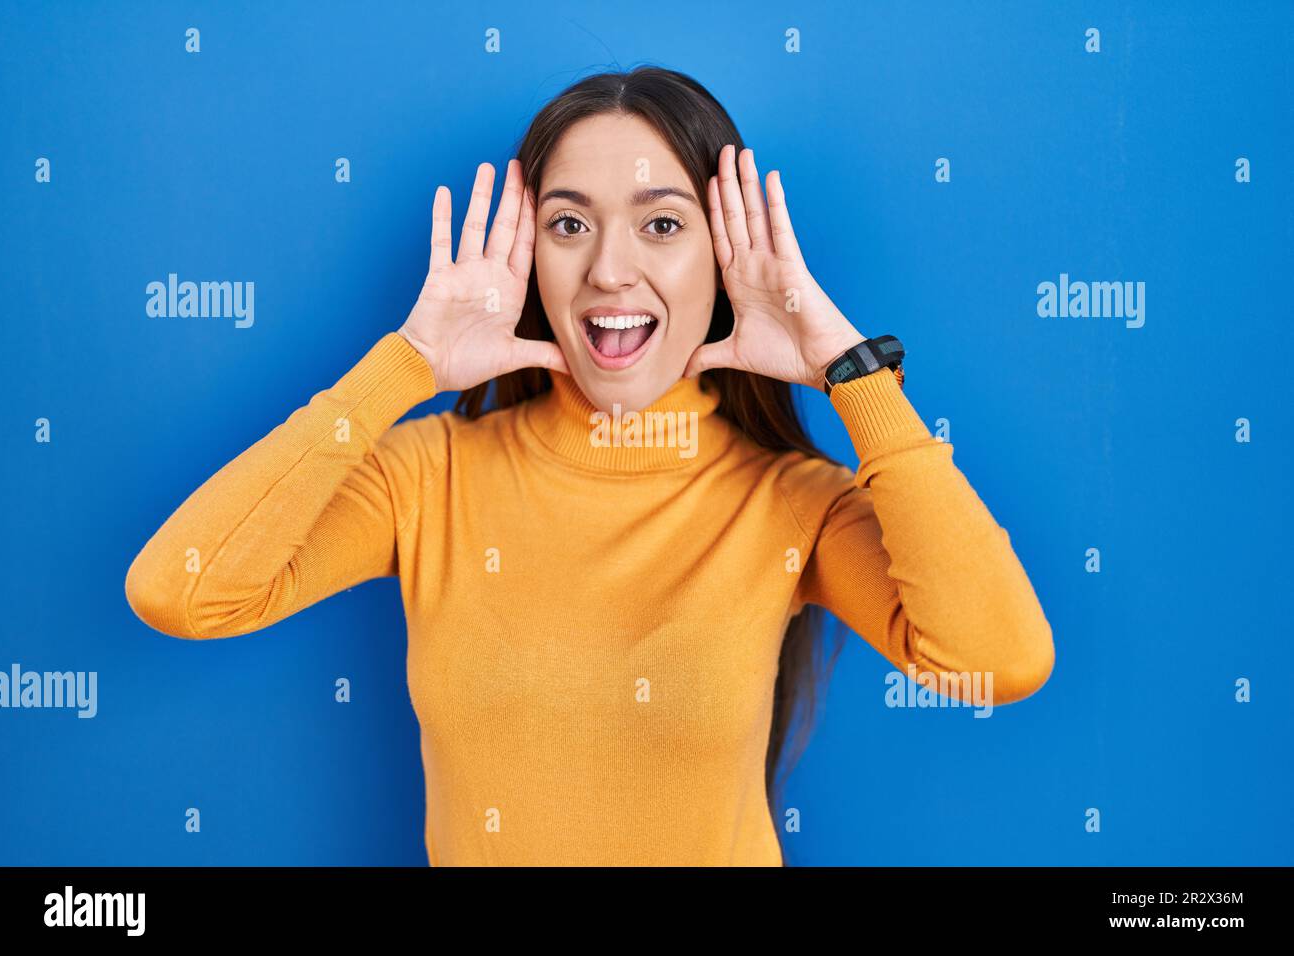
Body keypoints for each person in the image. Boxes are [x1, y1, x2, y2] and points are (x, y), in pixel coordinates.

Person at [125, 65, 1054, 866]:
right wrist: (402, 365)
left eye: (661, 226)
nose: (609, 269)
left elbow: (998, 660)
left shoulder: (789, 504)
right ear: (532, 260)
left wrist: (854, 377)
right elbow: (184, 591)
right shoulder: (431, 475)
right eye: (569, 226)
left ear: (723, 265)